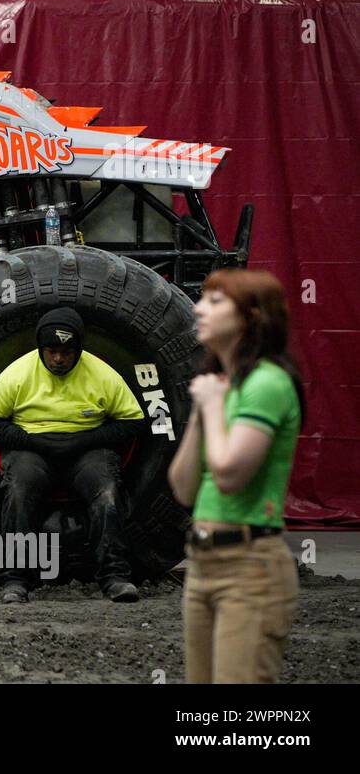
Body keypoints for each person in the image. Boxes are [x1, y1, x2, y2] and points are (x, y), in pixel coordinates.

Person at [167, 269, 304, 683]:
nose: (197, 308)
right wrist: (203, 410)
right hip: (203, 565)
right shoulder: (223, 388)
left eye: (214, 301)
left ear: (252, 317)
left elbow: (228, 475)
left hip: (250, 569)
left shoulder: (268, 383)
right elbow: (184, 487)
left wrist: (210, 406)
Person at [0, 307, 147, 604]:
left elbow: (133, 422)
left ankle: (115, 577)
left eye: (67, 352)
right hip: (33, 451)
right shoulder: (18, 373)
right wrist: (34, 442)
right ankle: (15, 580)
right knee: (19, 489)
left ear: (79, 349)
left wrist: (83, 441)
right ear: (41, 349)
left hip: (85, 450)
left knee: (106, 490)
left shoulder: (102, 374)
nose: (58, 359)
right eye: (52, 351)